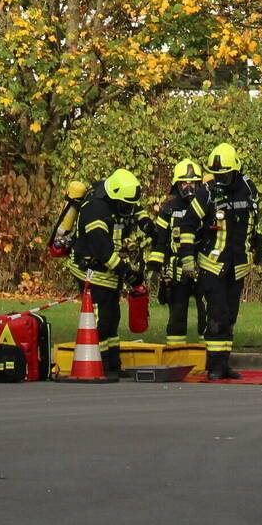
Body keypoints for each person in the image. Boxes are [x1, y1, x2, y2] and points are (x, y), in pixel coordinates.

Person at [198, 142, 262, 379]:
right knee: (217, 314)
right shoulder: (206, 190)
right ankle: (214, 366)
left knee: (230, 314)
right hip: (213, 264)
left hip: (237, 264)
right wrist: (188, 256)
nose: (220, 179)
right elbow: (189, 224)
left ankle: (223, 364)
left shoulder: (248, 188)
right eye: (217, 175)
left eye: (224, 175)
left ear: (235, 169)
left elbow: (253, 221)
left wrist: (257, 246)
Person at [72, 167, 143, 377]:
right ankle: (100, 365)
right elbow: (102, 250)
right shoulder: (95, 210)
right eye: (125, 205)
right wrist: (127, 272)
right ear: (115, 196)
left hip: (108, 274)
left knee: (112, 318)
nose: (128, 209)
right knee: (100, 322)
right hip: (92, 273)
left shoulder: (112, 206)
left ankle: (113, 365)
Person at [146, 159, 210, 347]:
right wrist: (155, 268)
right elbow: (160, 241)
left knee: (206, 313)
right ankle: (175, 353)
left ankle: (208, 354)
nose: (189, 187)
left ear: (200, 185)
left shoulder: (207, 205)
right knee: (177, 315)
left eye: (193, 183)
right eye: (184, 182)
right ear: (177, 185)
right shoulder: (169, 209)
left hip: (203, 266)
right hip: (177, 271)